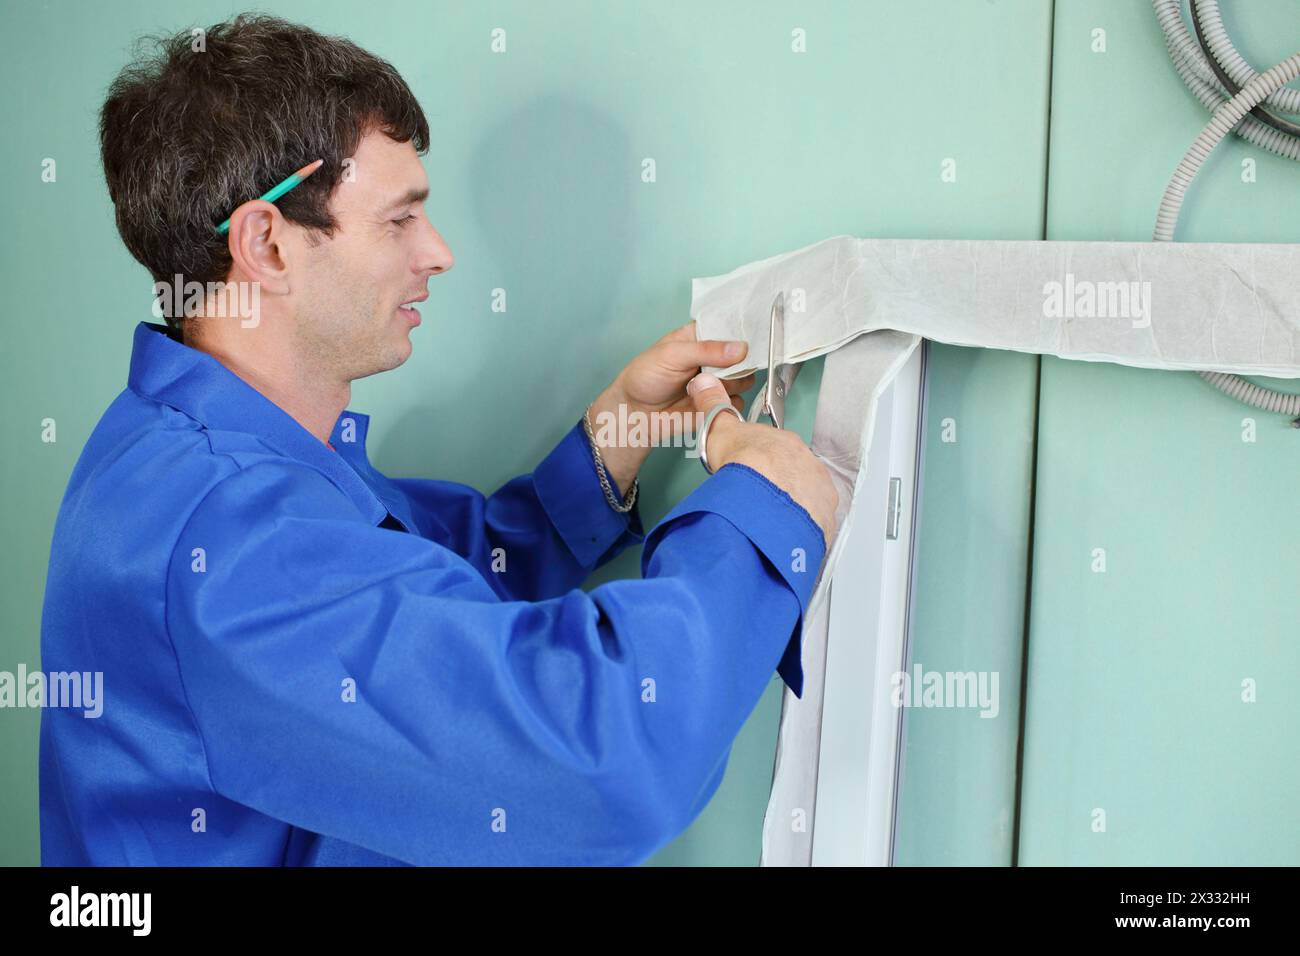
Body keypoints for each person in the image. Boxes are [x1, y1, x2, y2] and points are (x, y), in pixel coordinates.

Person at [39, 13, 839, 866]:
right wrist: (763, 514)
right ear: (266, 244)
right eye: (398, 221)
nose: (441, 253)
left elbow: (414, 584)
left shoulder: (194, 446)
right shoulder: (234, 541)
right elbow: (596, 762)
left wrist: (614, 438)